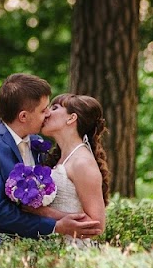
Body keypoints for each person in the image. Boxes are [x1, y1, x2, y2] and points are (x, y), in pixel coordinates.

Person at [0, 73, 103, 243]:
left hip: (39, 248)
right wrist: (55, 225)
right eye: (43, 110)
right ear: (23, 116)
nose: (48, 113)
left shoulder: (38, 143)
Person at [24, 92, 109, 245]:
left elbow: (97, 225)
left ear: (71, 118)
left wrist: (45, 213)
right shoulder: (59, 158)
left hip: (72, 251)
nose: (47, 113)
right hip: (51, 248)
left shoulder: (82, 162)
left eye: (54, 108)